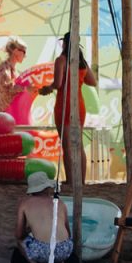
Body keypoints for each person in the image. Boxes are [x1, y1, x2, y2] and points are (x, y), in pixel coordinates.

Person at [45, 34, 98, 184]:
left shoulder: (61, 60)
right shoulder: (81, 63)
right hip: (79, 104)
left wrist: (46, 89)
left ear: (65, 44)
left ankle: (70, 180)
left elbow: (58, 84)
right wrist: (79, 78)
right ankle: (81, 181)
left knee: (67, 146)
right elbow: (93, 82)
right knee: (78, 144)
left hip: (65, 104)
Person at [17, 171, 71, 263]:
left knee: (19, 242)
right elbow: (68, 232)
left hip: (41, 251)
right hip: (65, 249)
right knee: (64, 238)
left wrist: (28, 231)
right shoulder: (60, 203)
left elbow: (18, 235)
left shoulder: (25, 204)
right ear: (47, 188)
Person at [0, 36, 29, 115]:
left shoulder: (13, 70)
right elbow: (7, 88)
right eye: (24, 52)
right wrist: (25, 88)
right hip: (3, 114)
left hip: (10, 113)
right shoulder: (4, 67)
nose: (25, 56)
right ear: (16, 51)